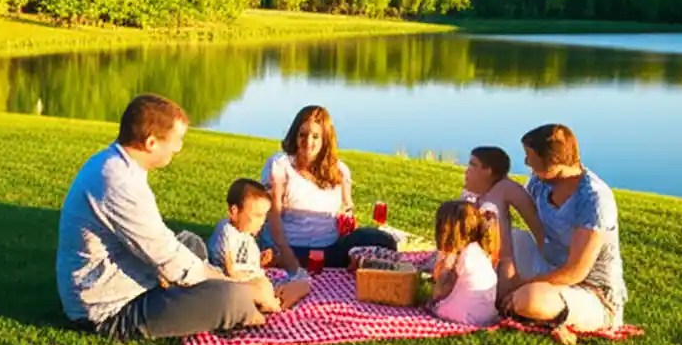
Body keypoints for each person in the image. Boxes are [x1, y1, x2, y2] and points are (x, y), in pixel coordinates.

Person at [56, 94, 265, 340]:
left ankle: (230, 292)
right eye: (177, 140)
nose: (179, 147)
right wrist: (241, 287)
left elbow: (160, 244)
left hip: (127, 276)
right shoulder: (118, 182)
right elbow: (168, 258)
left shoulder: (116, 163)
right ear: (151, 142)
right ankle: (243, 303)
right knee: (233, 298)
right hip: (109, 309)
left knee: (191, 244)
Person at [500, 124, 628, 344]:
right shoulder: (540, 183)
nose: (526, 163)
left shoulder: (594, 199)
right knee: (507, 239)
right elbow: (512, 200)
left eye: (530, 157)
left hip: (591, 293)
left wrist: (521, 284)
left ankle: (536, 312)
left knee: (530, 299)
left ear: (552, 162)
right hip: (548, 267)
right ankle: (515, 302)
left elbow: (575, 272)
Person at [261, 105, 396, 273]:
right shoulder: (281, 165)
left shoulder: (339, 170)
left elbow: (347, 208)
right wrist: (284, 251)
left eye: (315, 136)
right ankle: (285, 262)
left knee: (384, 241)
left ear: (325, 139)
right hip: (292, 246)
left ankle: (341, 264)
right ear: (294, 135)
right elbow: (273, 215)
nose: (308, 142)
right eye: (302, 135)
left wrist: (346, 218)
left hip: (330, 247)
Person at [208, 178, 310, 310]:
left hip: (255, 279)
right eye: (257, 215)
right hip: (234, 285)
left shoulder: (246, 234)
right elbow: (231, 269)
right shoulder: (227, 231)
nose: (261, 221)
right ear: (234, 212)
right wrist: (257, 282)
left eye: (264, 216)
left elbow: (245, 260)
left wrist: (261, 261)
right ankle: (275, 305)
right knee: (265, 286)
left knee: (302, 279)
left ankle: (278, 299)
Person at [460, 146, 544, 286]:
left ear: (489, 171)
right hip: (473, 260)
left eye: (473, 165)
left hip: (503, 263)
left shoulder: (506, 188)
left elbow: (535, 220)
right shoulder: (471, 192)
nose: (467, 170)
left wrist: (548, 254)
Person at [427, 200, 501, 327]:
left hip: (463, 316)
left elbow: (442, 291)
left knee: (433, 304)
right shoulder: (480, 250)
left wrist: (442, 269)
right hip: (487, 315)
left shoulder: (459, 256)